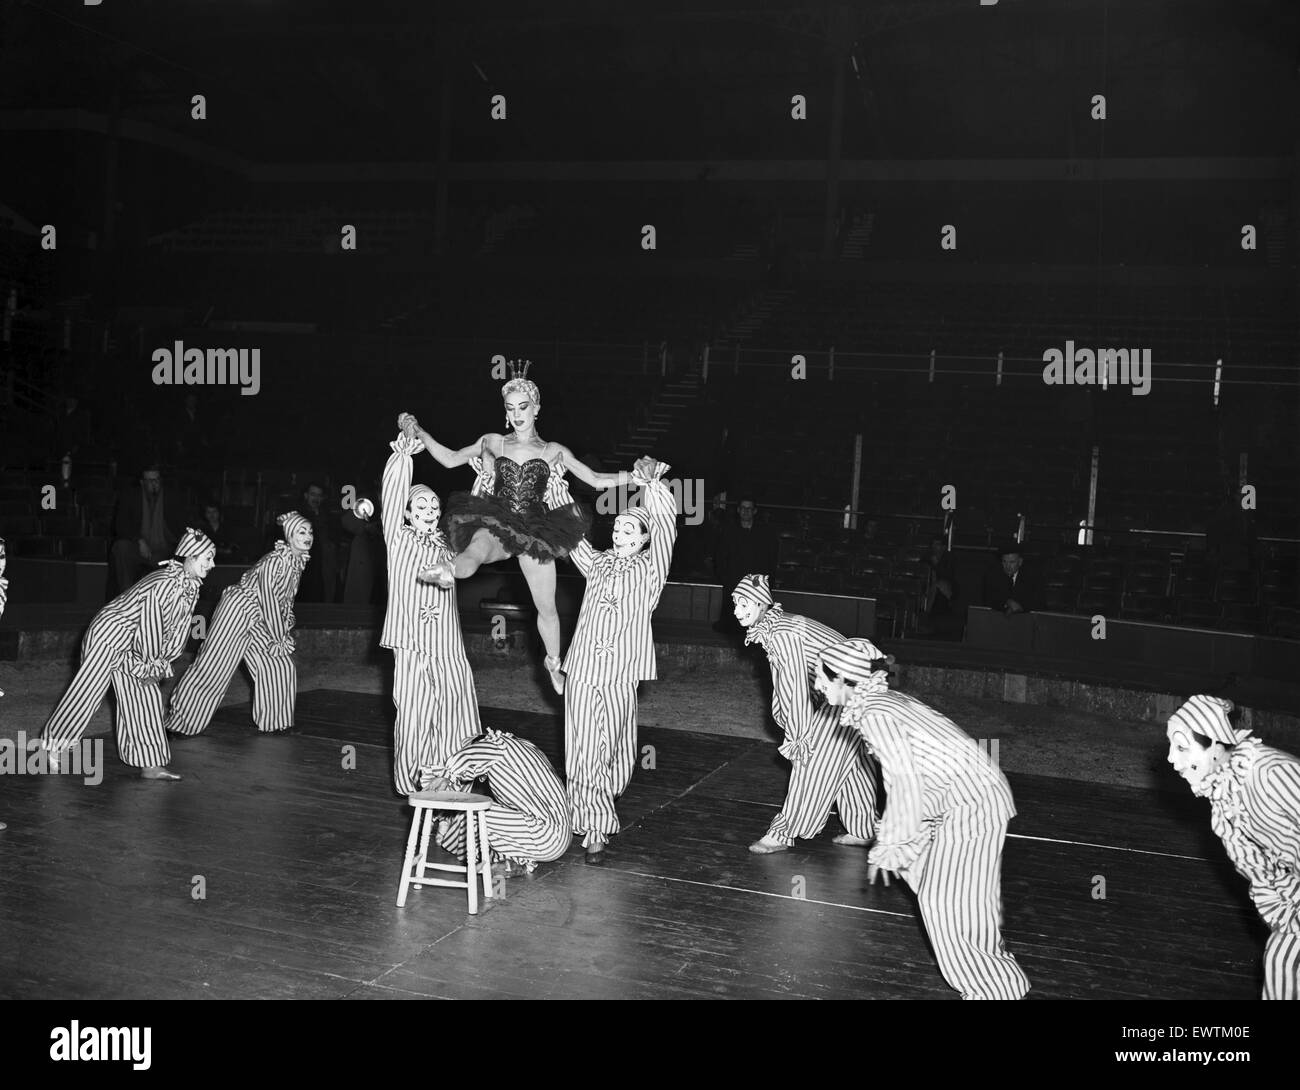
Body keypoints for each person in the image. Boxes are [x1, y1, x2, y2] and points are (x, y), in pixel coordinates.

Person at [816, 636, 1031, 1000]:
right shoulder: (881, 702)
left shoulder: (876, 713)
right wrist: (897, 838)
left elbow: (903, 777)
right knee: (938, 887)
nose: (817, 684)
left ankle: (994, 991)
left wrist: (896, 839)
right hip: (946, 800)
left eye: (823, 677)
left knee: (941, 901)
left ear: (845, 680)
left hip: (970, 802)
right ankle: (995, 975)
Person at [405, 362, 639, 695]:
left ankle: (554, 664)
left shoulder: (552, 450)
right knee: (473, 553)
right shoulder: (493, 442)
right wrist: (419, 430)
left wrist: (637, 477)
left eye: (523, 407)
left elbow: (596, 479)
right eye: (510, 408)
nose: (517, 414)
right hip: (497, 519)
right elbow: (450, 458)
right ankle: (447, 569)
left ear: (537, 409)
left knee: (547, 608)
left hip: (537, 530)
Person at [550, 457, 677, 864]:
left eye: (629, 530)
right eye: (617, 527)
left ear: (643, 539)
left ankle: (596, 802)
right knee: (584, 746)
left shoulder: (651, 570)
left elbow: (667, 530)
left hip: (622, 672)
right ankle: (594, 826)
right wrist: (555, 485)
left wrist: (653, 485)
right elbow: (571, 534)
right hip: (584, 669)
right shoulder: (598, 563)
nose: (620, 533)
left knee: (617, 750)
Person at [42, 528, 216, 781]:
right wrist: (151, 665)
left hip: (136, 641)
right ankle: (53, 746)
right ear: (189, 555)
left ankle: (151, 764)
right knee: (87, 691)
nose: (212, 564)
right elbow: (151, 627)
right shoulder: (165, 584)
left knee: (145, 697)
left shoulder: (187, 584)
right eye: (208, 558)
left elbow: (176, 629)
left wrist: (161, 662)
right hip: (109, 635)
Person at [732, 573, 878, 854]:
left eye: (745, 603)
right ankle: (864, 827)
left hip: (849, 693)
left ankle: (782, 832)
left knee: (814, 759)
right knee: (848, 755)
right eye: (735, 604)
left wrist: (799, 735)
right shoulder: (777, 627)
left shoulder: (782, 634)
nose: (738, 611)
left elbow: (793, 688)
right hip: (853, 689)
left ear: (763, 604)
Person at [1166, 694, 1300, 1000]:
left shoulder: (1271, 772)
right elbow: (1261, 872)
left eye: (1183, 747)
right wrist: (1284, 910)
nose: (1172, 758)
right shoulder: (1225, 800)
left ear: (1215, 747)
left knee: (1282, 959)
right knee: (1281, 962)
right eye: (1172, 747)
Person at [381, 422, 481, 796]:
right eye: (420, 504)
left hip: (447, 642)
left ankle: (450, 776)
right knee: (415, 712)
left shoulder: (446, 544)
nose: (429, 509)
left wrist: (483, 480)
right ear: (407, 514)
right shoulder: (398, 538)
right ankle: (416, 782)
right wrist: (404, 452)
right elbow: (392, 495)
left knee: (455, 704)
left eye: (434, 505)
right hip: (410, 641)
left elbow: (476, 526)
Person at [165, 513, 312, 737]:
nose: (308, 536)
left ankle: (277, 721)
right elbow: (269, 599)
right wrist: (279, 635)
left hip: (260, 617)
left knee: (279, 665)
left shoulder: (295, 563)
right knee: (215, 666)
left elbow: (285, 601)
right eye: (301, 531)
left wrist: (286, 622)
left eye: (310, 531)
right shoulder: (275, 560)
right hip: (238, 610)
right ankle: (180, 722)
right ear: (289, 536)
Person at [426, 729, 572, 877]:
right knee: (491, 817)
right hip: (557, 836)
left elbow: (473, 755)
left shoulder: (495, 746)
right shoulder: (520, 749)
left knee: (475, 812)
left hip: (547, 835)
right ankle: (512, 864)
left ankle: (489, 862)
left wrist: (446, 775)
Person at [713, 497, 779, 634]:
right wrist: (726, 577)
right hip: (734, 580)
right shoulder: (728, 531)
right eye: (743, 508)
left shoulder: (765, 533)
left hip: (756, 583)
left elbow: (770, 558)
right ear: (738, 510)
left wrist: (765, 581)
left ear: (754, 511)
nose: (746, 511)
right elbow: (720, 557)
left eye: (749, 508)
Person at [109, 465, 177, 596]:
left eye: (156, 480)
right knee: (121, 547)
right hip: (139, 548)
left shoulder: (172, 497)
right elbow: (120, 526)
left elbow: (181, 527)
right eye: (150, 480)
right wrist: (139, 540)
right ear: (142, 482)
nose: (154, 484)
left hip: (164, 550)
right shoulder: (130, 497)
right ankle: (126, 597)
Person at [294, 482, 340, 603]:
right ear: (306, 495)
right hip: (307, 565)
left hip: (326, 563)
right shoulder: (298, 516)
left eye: (319, 495)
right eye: (313, 494)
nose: (316, 498)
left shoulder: (327, 515)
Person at [981, 542, 1042, 615]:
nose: (1008, 566)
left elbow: (1038, 604)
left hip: (1024, 620)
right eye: (1004, 562)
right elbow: (988, 601)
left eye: (1012, 562)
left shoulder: (1033, 577)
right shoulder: (993, 575)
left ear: (1020, 562)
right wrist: (1007, 602)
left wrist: (1020, 608)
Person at [922, 535, 962, 639]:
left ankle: (932, 621)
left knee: (940, 589)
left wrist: (937, 565)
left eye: (938, 544)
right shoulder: (927, 556)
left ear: (943, 547)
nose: (935, 547)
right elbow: (921, 569)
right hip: (927, 585)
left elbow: (949, 576)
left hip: (946, 587)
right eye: (933, 544)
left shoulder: (950, 558)